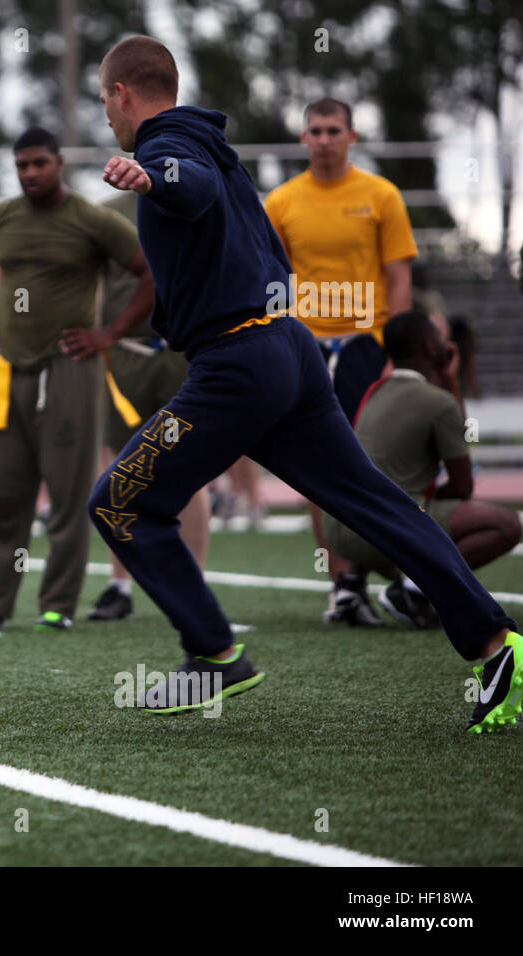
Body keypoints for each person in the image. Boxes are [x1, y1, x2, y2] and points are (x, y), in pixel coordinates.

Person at [90, 35, 519, 733]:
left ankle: (214, 658)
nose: (108, 116)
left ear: (120, 95)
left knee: (119, 502)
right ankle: (497, 646)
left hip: (238, 366)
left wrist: (152, 178)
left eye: (105, 101)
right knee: (376, 502)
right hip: (287, 349)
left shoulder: (166, 146)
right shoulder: (216, 148)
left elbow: (183, 183)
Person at [0, 126, 154, 632]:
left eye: (39, 163)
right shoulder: (1, 218)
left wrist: (109, 333)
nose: (30, 174)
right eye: (22, 166)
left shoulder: (90, 219)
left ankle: (57, 606)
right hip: (12, 367)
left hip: (71, 368)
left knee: (68, 490)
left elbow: (148, 271)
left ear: (59, 163)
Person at [264, 98, 418, 627]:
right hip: (304, 348)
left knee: (377, 462)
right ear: (303, 139)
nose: (324, 139)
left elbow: (399, 275)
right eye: (315, 131)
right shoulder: (281, 201)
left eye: (334, 130)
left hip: (365, 345)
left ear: (352, 136)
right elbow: (270, 278)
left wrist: (396, 350)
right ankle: (343, 586)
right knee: (315, 467)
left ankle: (400, 575)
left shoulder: (381, 195)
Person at [322, 310, 521, 626]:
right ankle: (413, 590)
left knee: (386, 484)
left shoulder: (374, 392)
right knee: (506, 525)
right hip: (382, 533)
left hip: (339, 527)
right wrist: (452, 380)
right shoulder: (438, 401)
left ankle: (350, 588)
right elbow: (463, 486)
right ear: (431, 348)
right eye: (440, 336)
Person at [86, 191, 207, 621]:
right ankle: (120, 584)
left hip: (182, 348)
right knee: (119, 466)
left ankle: (196, 586)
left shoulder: (192, 199)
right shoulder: (106, 213)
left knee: (191, 466)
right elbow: (94, 282)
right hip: (127, 352)